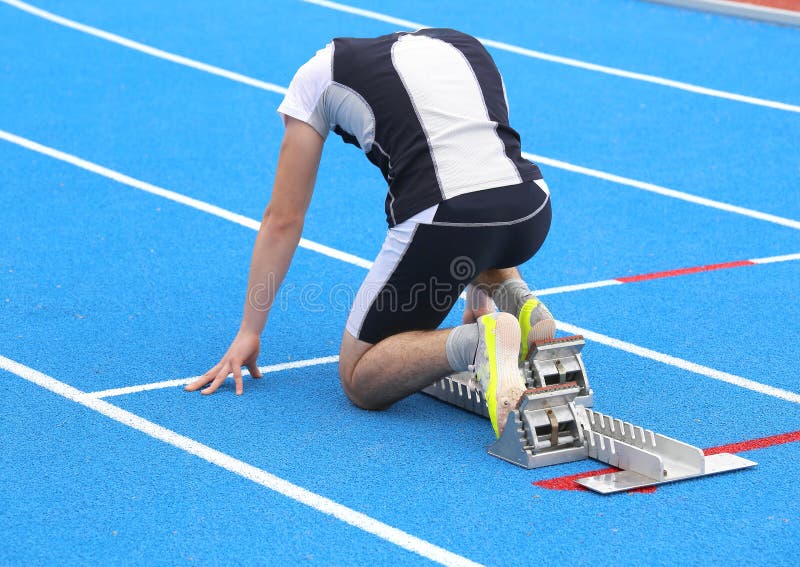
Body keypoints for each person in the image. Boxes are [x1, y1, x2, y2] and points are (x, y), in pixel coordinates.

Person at [185, 28, 556, 437]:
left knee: (358, 378)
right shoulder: (461, 44)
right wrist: (480, 293)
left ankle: (478, 342)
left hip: (445, 221)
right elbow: (482, 164)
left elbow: (284, 218)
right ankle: (519, 302)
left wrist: (250, 331)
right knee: (477, 216)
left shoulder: (315, 75)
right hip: (532, 208)